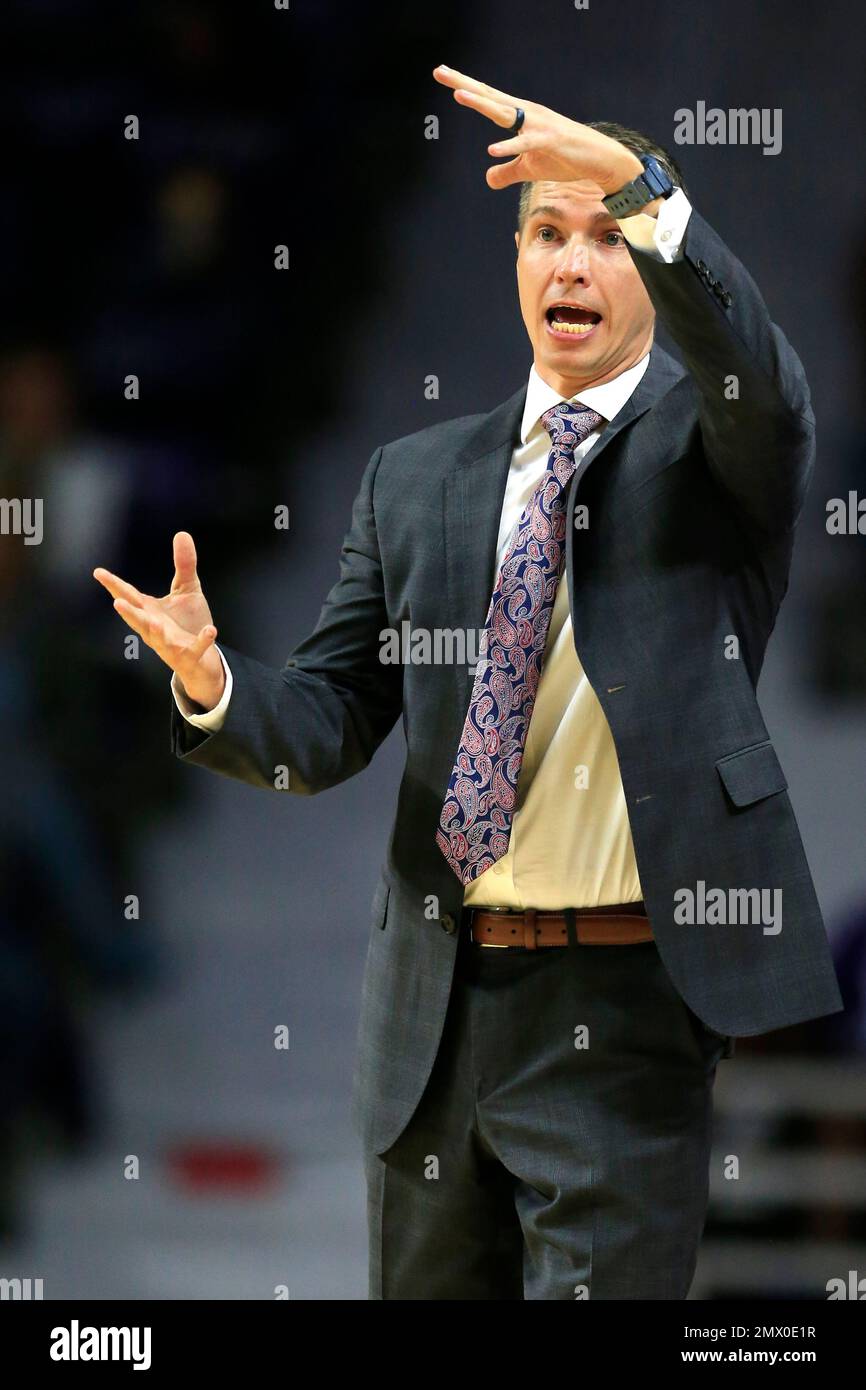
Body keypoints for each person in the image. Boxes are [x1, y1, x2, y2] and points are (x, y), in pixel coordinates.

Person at [93, 66, 844, 1300]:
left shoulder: (716, 452)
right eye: (546, 233)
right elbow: (331, 720)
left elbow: (761, 386)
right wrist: (215, 679)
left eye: (606, 238)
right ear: (512, 261)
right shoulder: (415, 477)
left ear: (651, 266)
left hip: (621, 1012)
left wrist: (644, 190)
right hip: (433, 1016)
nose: (570, 265)